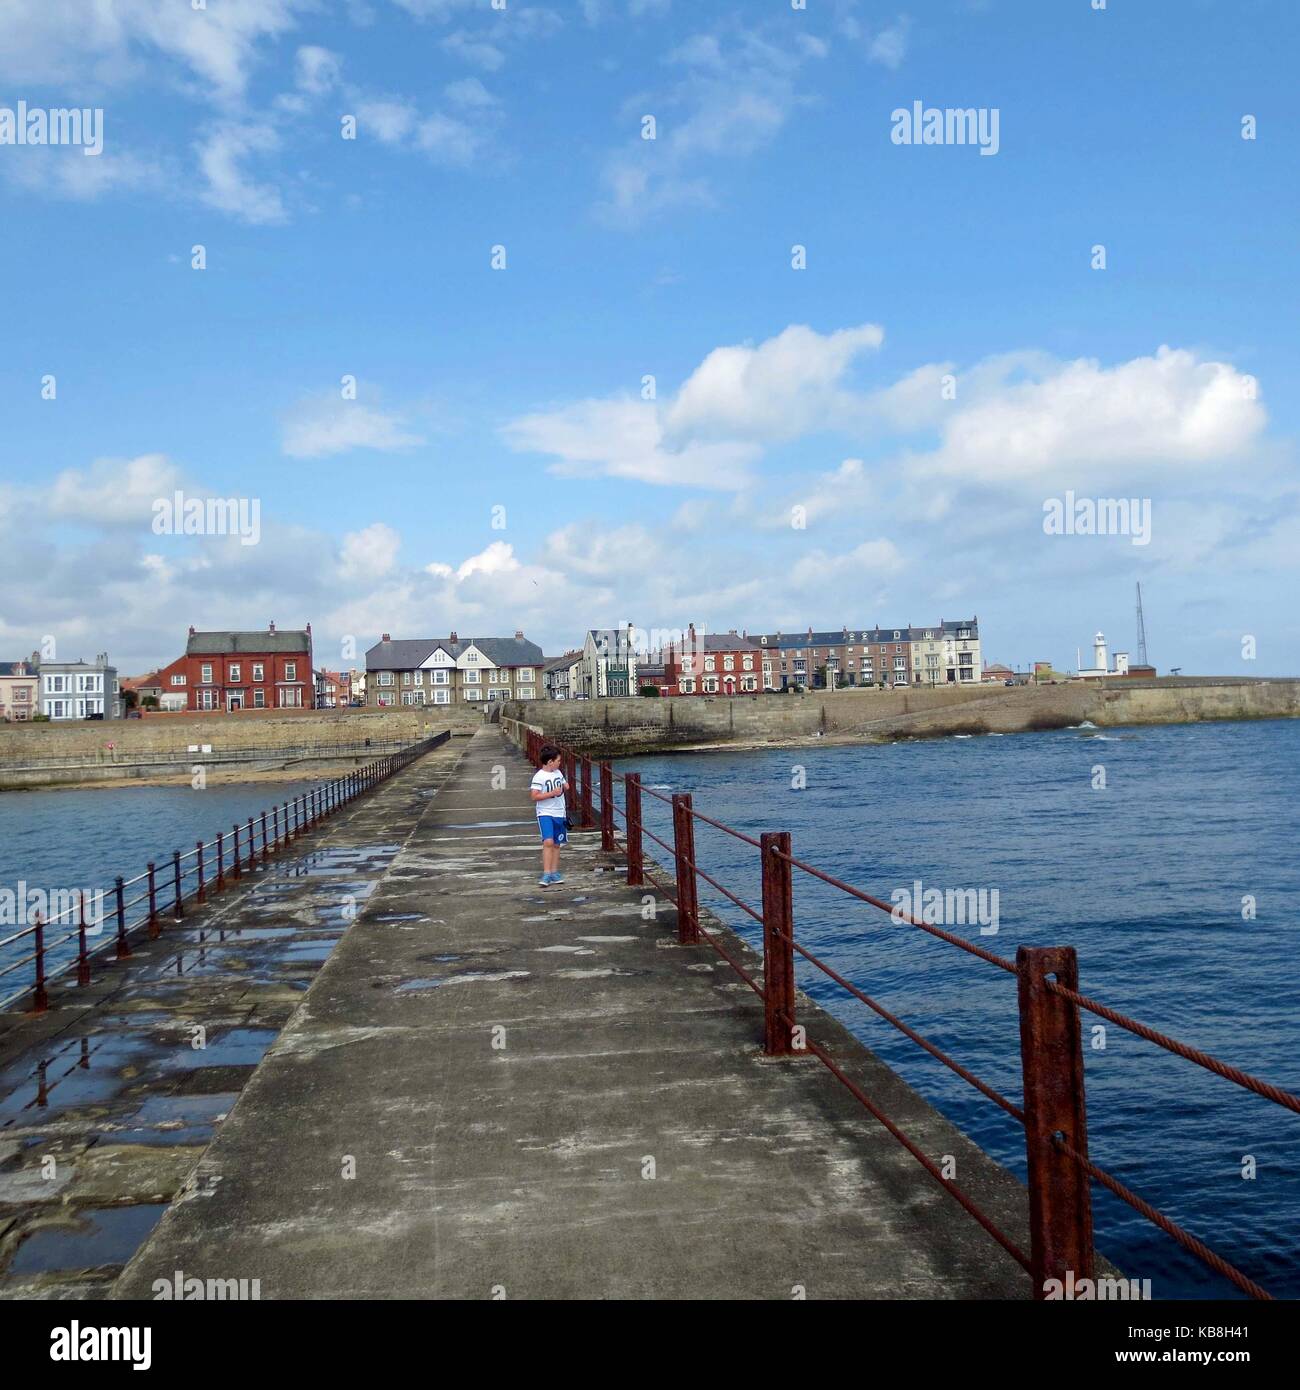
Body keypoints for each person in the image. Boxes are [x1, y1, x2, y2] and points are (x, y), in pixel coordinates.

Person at [529, 745, 569, 887]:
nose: (560, 763)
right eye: (558, 761)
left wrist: (565, 787)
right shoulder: (539, 776)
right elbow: (534, 796)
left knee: (557, 844)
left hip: (560, 812)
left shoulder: (558, 773)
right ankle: (546, 873)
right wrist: (552, 793)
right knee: (548, 842)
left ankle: (554, 872)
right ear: (550, 762)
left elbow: (566, 785)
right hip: (545, 812)